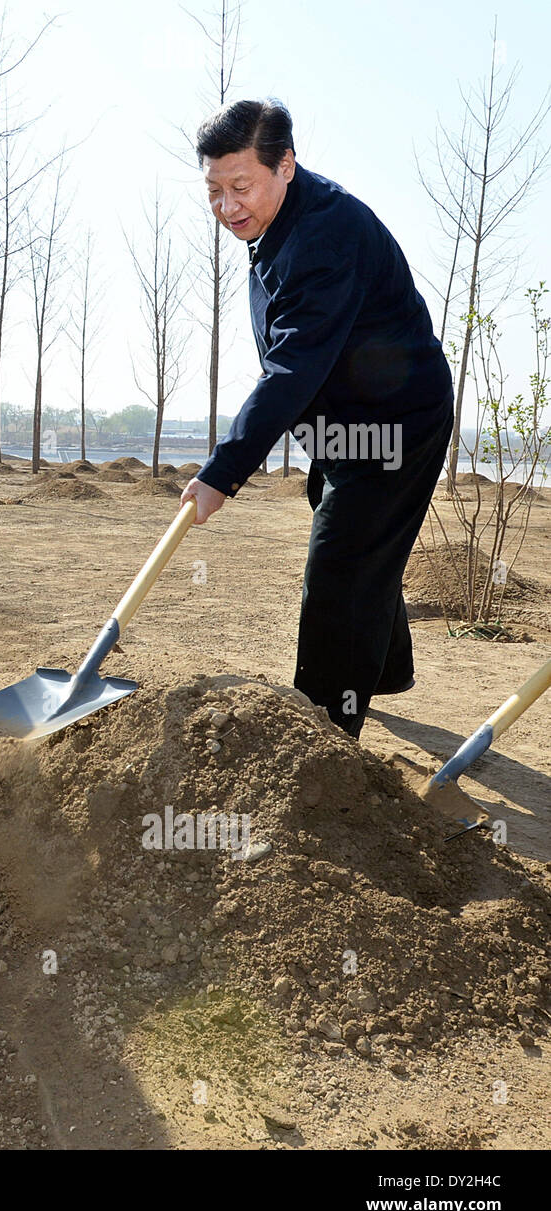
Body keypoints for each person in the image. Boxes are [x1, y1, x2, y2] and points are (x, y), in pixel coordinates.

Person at [182, 100, 454, 740]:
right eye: (214, 191)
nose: (227, 207)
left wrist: (223, 471)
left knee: (340, 567)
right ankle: (382, 670)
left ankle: (321, 741)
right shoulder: (279, 223)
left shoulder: (324, 237)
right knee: (351, 533)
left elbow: (292, 367)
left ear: (286, 164)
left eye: (240, 188)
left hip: (396, 424)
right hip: (346, 422)